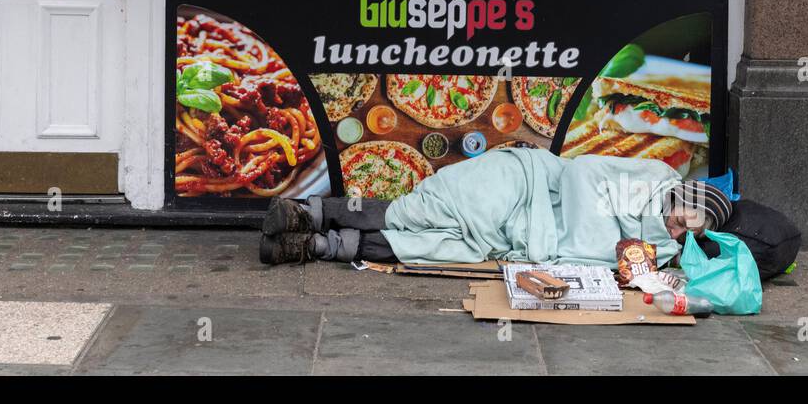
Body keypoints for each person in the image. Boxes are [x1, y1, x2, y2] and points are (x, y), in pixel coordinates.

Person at [259, 147, 732, 267]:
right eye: (684, 219)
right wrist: (605, 239)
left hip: (524, 242)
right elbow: (580, 173)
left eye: (689, 233)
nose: (677, 232)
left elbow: (601, 261)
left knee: (430, 248)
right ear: (683, 198)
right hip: (527, 186)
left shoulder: (665, 252)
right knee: (425, 209)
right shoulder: (650, 178)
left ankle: (317, 245)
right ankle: (311, 210)